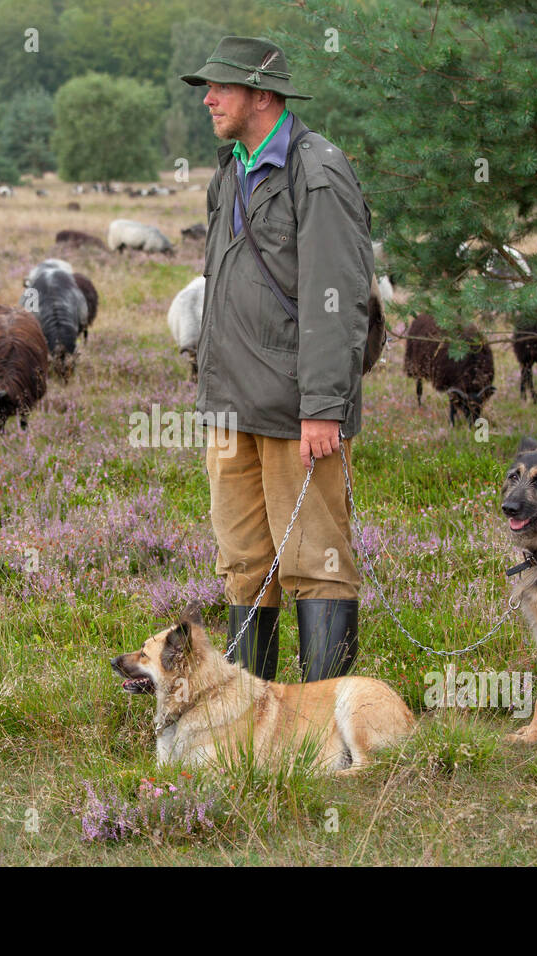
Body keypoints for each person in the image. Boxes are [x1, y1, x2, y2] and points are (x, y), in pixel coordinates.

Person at [179, 36, 374, 682]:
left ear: (261, 95)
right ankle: (252, 724)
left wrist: (322, 406)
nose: (208, 99)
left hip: (298, 415)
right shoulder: (229, 170)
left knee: (314, 562)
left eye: (221, 87)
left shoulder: (317, 170)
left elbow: (336, 300)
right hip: (230, 411)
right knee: (244, 565)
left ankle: (325, 730)